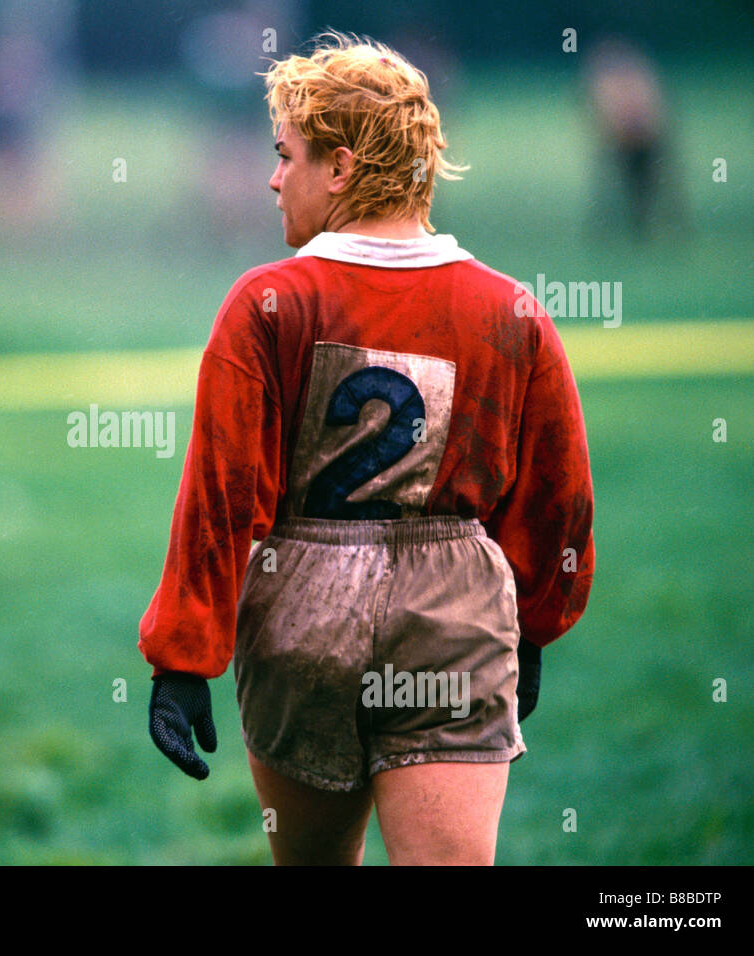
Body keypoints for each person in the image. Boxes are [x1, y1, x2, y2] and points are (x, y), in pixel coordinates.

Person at [139, 33, 595, 865]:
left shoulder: (267, 303)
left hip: (301, 607)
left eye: (287, 156)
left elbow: (220, 492)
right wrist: (532, 625)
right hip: (452, 616)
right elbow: (557, 496)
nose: (274, 179)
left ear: (341, 168)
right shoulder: (512, 311)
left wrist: (183, 656)